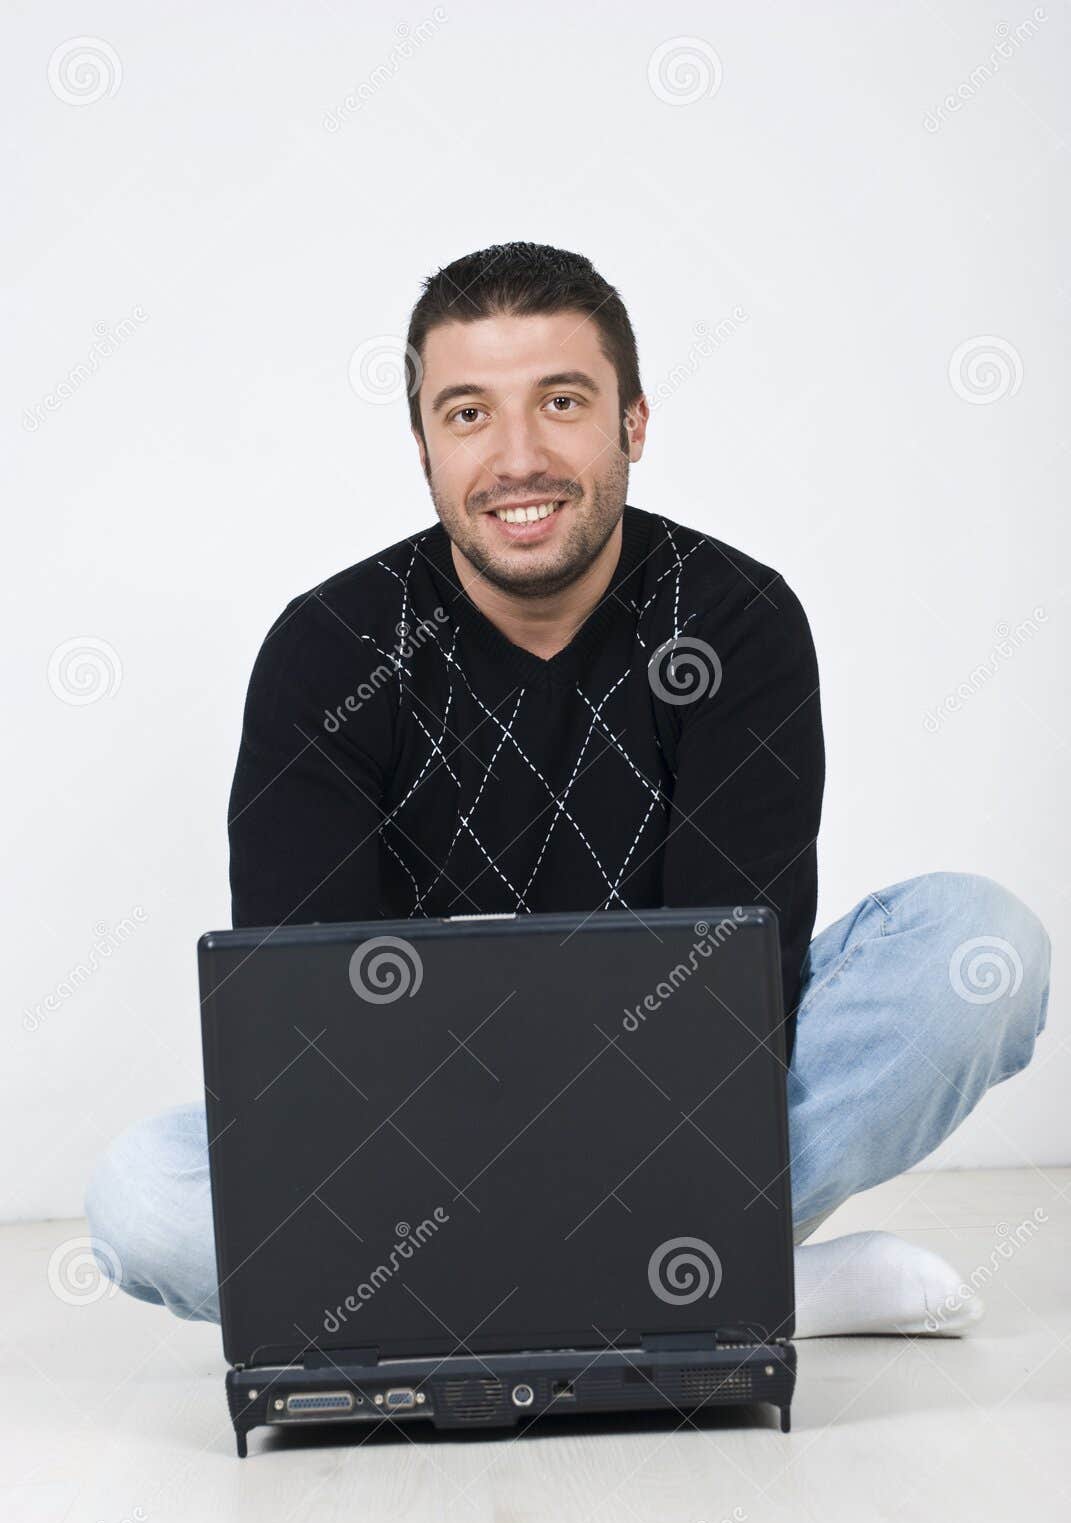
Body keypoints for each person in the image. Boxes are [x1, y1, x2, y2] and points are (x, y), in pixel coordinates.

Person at [84, 242, 1051, 1339]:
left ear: (632, 424)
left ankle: (539, 1292)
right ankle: (730, 1287)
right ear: (422, 446)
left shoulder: (735, 620)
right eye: (467, 414)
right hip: (412, 1156)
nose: (519, 456)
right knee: (140, 1196)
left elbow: (733, 983)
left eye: (561, 401)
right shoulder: (329, 648)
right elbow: (310, 1031)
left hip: (676, 1125)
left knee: (980, 944)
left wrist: (582, 1129)